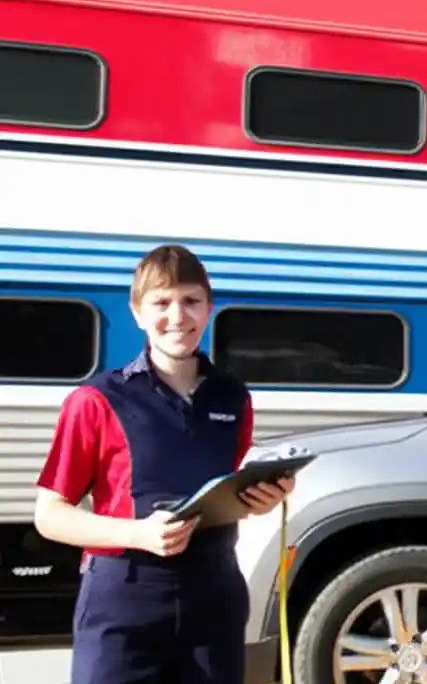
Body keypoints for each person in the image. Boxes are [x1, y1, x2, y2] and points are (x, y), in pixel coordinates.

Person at [32, 243, 295, 684]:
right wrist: (136, 533)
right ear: (136, 312)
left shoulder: (232, 397)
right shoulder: (96, 400)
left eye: (191, 301)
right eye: (162, 302)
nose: (178, 317)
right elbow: (49, 515)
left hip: (214, 594)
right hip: (124, 596)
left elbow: (224, 494)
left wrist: (260, 500)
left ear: (209, 309)